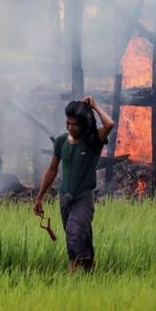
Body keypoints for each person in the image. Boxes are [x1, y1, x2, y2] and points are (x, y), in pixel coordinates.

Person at [33, 97, 115, 272]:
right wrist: (39, 197)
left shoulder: (93, 140)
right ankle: (90, 270)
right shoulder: (61, 141)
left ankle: (72, 275)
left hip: (83, 199)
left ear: (83, 124)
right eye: (68, 123)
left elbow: (110, 125)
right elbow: (52, 170)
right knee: (79, 236)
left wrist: (95, 107)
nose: (70, 127)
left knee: (73, 232)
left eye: (75, 124)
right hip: (65, 198)